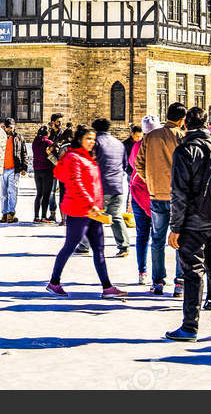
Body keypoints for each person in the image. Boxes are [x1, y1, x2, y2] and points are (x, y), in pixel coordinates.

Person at [164, 106, 211, 342]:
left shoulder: (185, 150)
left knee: (193, 272)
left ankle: (190, 326)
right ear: (207, 124)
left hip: (193, 222)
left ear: (185, 123)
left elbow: (179, 193)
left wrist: (175, 227)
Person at [45, 125, 125, 299]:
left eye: (93, 138)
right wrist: (91, 203)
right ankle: (54, 282)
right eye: (88, 138)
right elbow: (76, 183)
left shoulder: (88, 157)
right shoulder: (74, 157)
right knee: (70, 246)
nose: (92, 142)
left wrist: (96, 206)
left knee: (99, 249)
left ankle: (107, 286)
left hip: (92, 211)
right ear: (80, 139)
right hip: (78, 210)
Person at [134, 101, 186, 296]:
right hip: (178, 196)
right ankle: (180, 282)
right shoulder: (182, 136)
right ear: (182, 120)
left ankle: (158, 282)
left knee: (157, 239)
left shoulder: (151, 136)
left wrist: (150, 179)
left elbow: (138, 163)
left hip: (156, 194)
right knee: (180, 238)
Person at [91, 117, 130, 257]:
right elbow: (125, 164)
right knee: (116, 217)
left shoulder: (95, 143)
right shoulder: (119, 143)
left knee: (90, 216)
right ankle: (124, 246)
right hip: (117, 185)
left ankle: (83, 245)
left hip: (100, 186)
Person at [129, 116, 158, 285]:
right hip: (156, 195)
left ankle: (142, 272)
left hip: (138, 194)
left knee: (142, 236)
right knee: (157, 237)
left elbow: (132, 165)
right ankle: (157, 275)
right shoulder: (159, 146)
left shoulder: (137, 146)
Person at [1, 117, 27, 224]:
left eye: (11, 127)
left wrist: (24, 167)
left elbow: (24, 153)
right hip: (2, 169)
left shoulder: (18, 138)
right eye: (7, 127)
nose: (9, 129)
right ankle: (4, 213)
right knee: (3, 193)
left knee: (12, 192)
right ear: (4, 127)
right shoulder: (1, 137)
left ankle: (11, 213)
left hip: (14, 169)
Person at [31, 123, 57, 223]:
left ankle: (36, 217)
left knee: (39, 194)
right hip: (47, 170)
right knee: (46, 194)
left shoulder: (35, 142)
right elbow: (53, 156)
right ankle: (43, 217)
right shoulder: (49, 142)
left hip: (37, 170)